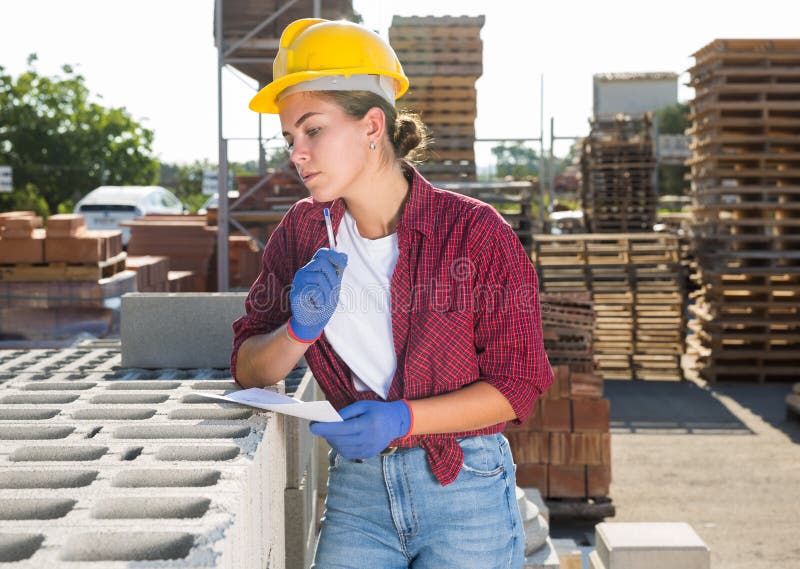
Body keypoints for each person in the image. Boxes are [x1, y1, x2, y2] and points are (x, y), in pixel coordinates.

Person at [231, 18, 553, 569]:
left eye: (312, 131)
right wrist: (298, 331)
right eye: (289, 138)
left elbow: (518, 384)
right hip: (359, 492)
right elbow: (247, 369)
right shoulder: (303, 234)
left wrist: (404, 419)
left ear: (372, 125)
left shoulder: (476, 234)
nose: (296, 154)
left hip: (463, 485)